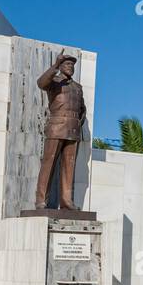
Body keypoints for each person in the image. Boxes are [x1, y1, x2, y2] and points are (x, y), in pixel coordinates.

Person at [35, 52, 86, 210]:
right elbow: (41, 83)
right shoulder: (54, 82)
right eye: (67, 64)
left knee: (69, 166)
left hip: (73, 129)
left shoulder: (78, 87)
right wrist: (55, 66)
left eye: (72, 65)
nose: (70, 67)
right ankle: (41, 200)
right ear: (61, 66)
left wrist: (79, 122)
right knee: (48, 163)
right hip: (57, 125)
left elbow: (82, 109)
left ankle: (66, 201)